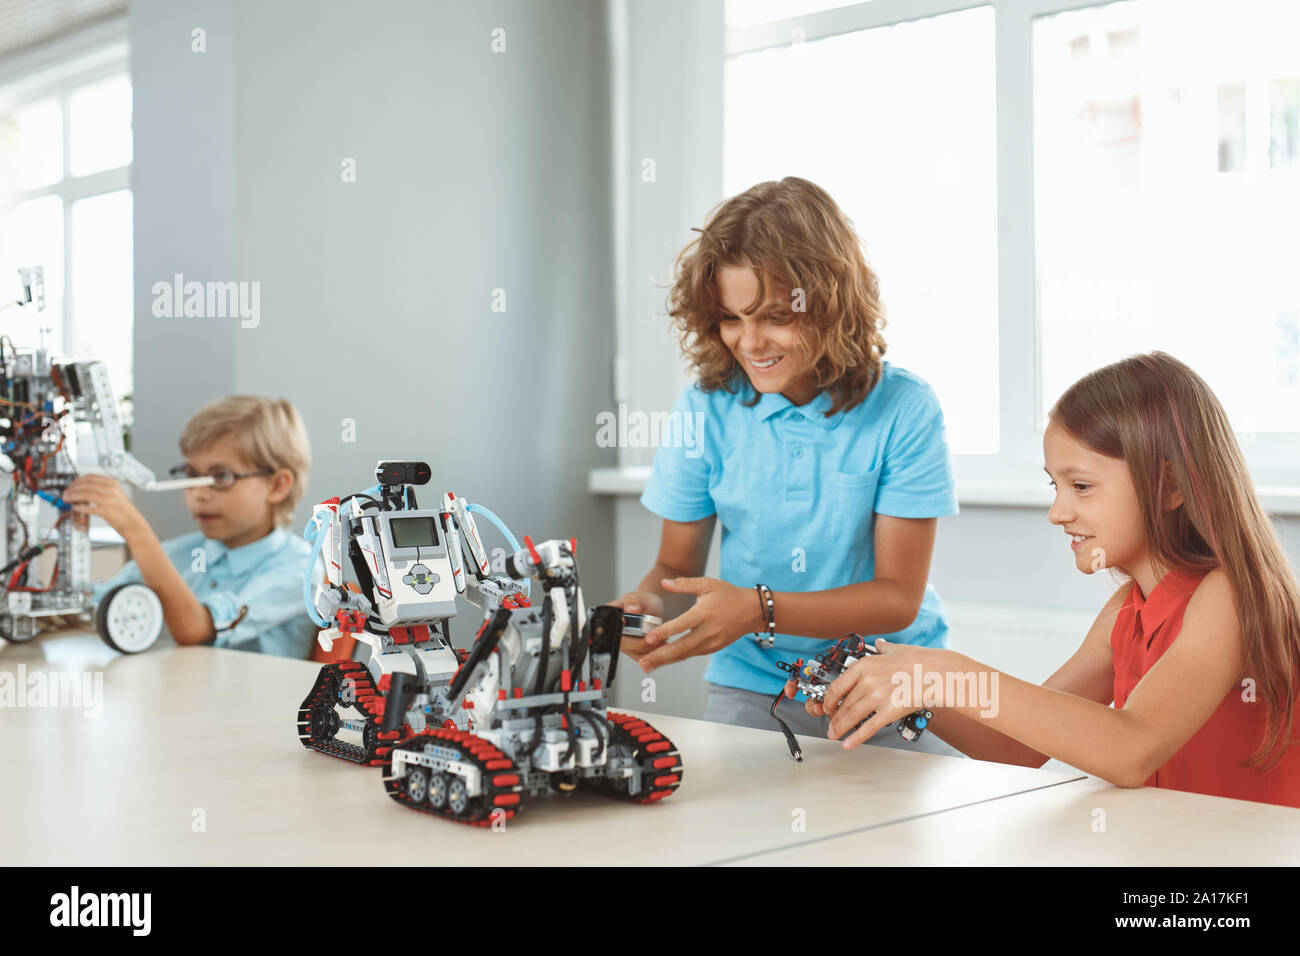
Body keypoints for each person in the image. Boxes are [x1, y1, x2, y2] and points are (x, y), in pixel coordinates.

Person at [800, 352, 1300, 806]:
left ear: (1169, 484)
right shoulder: (1126, 609)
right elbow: (1015, 748)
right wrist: (919, 690)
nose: (1058, 512)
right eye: (1054, 485)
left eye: (1081, 486)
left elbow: (1132, 748)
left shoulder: (1227, 597)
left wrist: (945, 672)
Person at [610, 176, 962, 757]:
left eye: (774, 316)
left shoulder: (904, 407)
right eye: (730, 318)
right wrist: (649, 606)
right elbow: (675, 566)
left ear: (830, 305)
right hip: (753, 685)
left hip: (888, 682)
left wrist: (758, 608)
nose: (749, 343)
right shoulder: (706, 408)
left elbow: (897, 596)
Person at [64, 395, 318, 659]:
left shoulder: (300, 570)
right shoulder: (180, 553)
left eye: (221, 476)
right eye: (192, 475)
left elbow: (199, 631)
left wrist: (136, 532)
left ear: (278, 486)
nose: (198, 492)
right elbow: (92, 607)